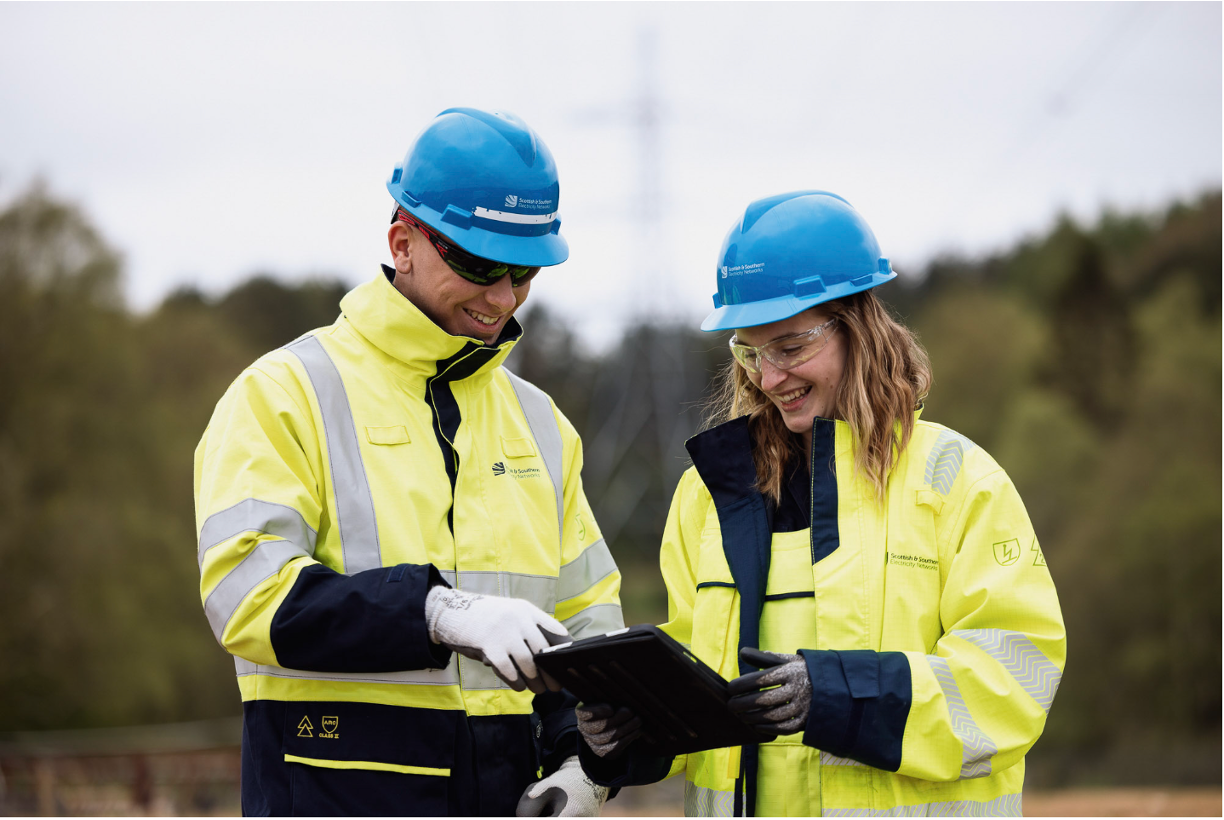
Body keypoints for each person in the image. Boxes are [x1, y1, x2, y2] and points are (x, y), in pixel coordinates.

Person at [576, 191, 1066, 817]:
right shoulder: (706, 498)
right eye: (750, 352)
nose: (769, 378)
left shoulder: (958, 481)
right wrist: (627, 734)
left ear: (858, 328)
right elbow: (693, 696)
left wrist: (837, 697)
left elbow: (1013, 683)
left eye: (791, 347)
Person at [195, 108, 623, 817]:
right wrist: (438, 613)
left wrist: (585, 765)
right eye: (481, 265)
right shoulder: (284, 394)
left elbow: (588, 624)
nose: (503, 298)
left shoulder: (544, 426)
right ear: (403, 242)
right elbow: (246, 596)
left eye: (524, 273)